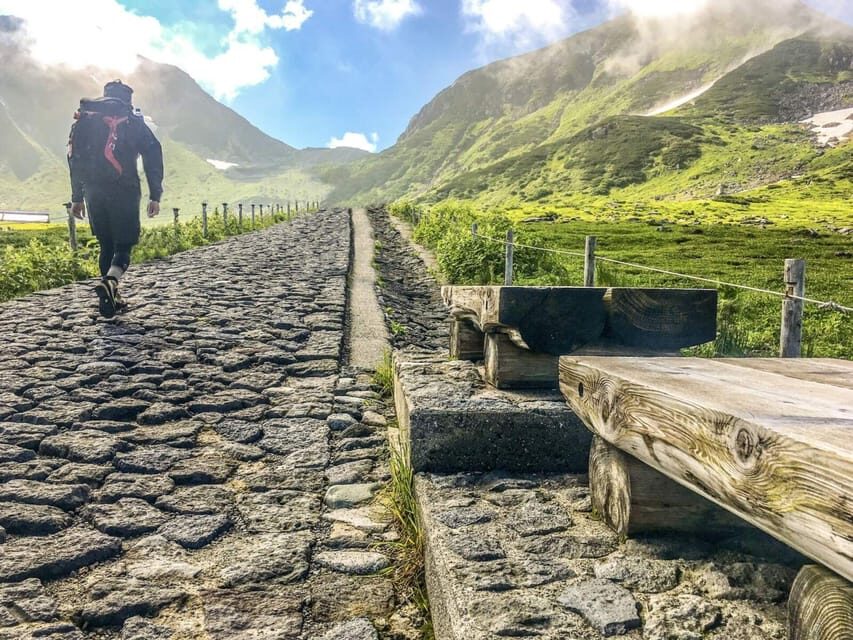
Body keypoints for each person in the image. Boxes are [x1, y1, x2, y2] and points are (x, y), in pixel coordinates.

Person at [67, 79, 163, 318]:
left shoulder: (84, 122)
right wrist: (155, 194)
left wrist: (77, 197)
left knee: (106, 244)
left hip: (93, 191)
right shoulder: (132, 122)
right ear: (127, 99)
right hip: (125, 189)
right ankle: (111, 281)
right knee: (124, 244)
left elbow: (74, 159)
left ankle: (111, 297)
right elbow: (153, 155)